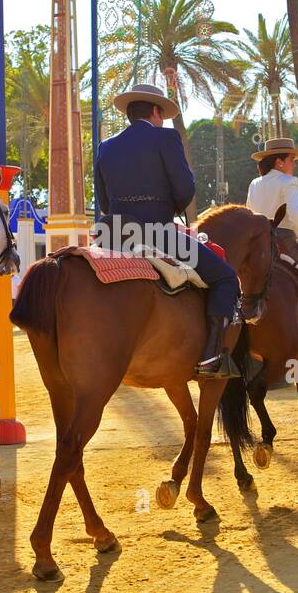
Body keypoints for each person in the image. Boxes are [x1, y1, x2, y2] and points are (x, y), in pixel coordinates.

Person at [95, 83, 240, 378]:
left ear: (129, 113)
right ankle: (211, 356)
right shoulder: (166, 137)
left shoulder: (106, 147)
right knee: (225, 276)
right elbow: (185, 188)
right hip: (157, 233)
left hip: (110, 236)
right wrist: (168, 209)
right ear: (156, 112)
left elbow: (104, 202)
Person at [246, 137, 298, 277]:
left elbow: (249, 216)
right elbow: (296, 215)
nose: (294, 165)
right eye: (292, 160)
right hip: (285, 244)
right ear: (279, 162)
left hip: (259, 246)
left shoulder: (254, 183)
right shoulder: (290, 181)